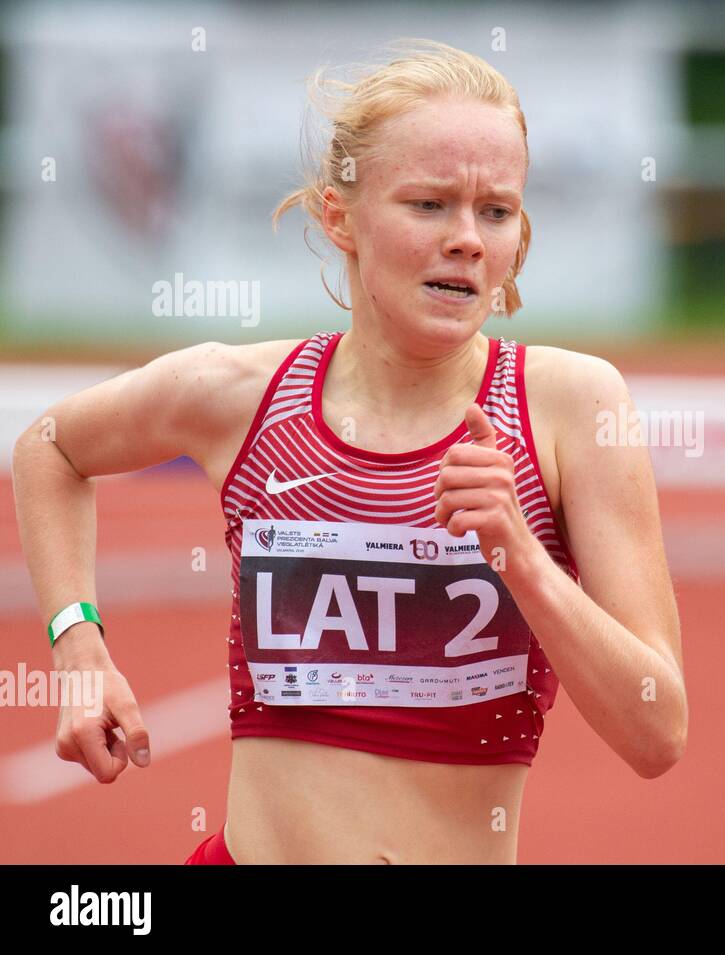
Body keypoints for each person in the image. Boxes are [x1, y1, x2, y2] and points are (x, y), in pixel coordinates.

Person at [11, 39, 686, 864]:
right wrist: (78, 648)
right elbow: (49, 448)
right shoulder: (243, 395)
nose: (468, 239)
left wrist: (524, 558)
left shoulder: (570, 407)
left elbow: (658, 731)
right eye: (430, 204)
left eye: (496, 210)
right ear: (341, 217)